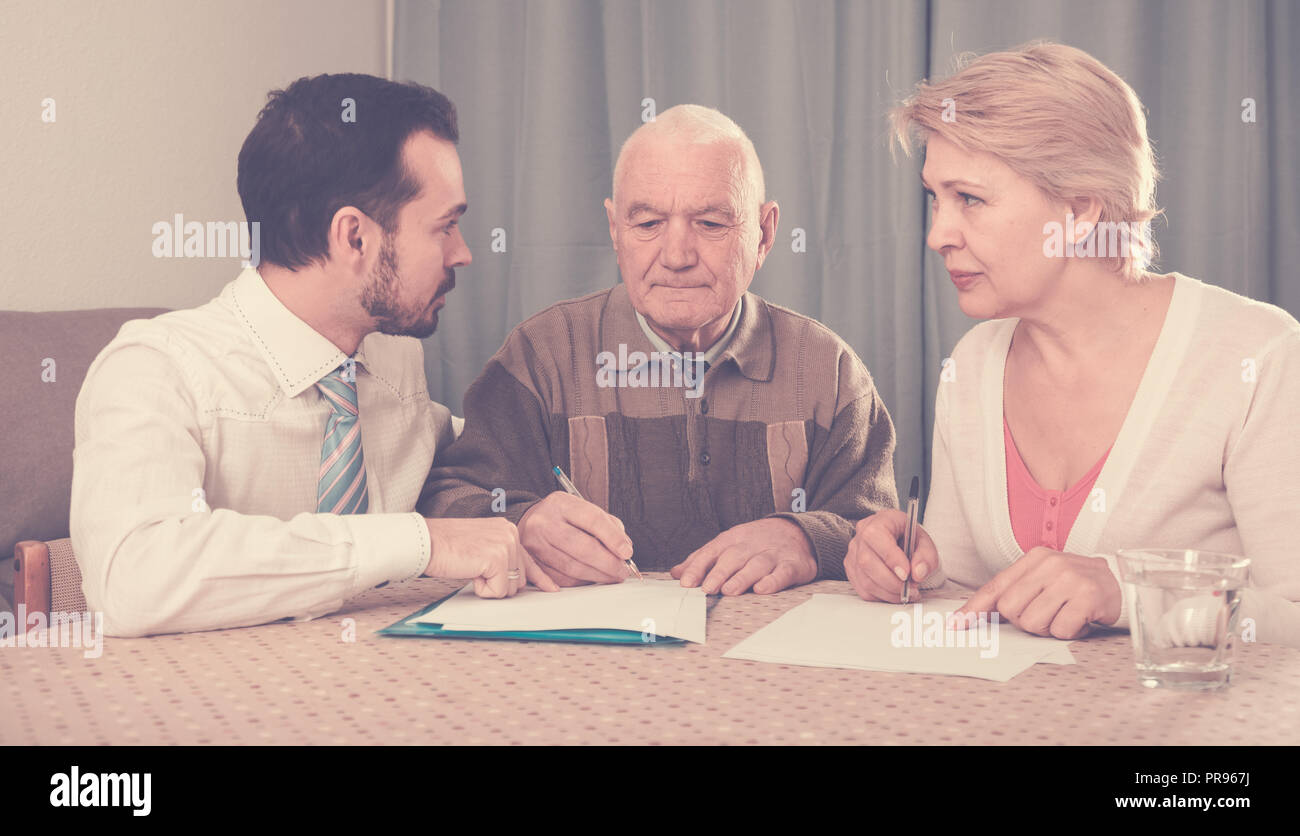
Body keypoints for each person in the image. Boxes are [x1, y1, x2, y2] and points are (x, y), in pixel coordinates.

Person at [846, 42, 1300, 646]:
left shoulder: (1259, 356)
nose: (937, 234)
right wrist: (909, 567)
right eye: (935, 198)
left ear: (1081, 211)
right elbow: (964, 594)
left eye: (970, 199)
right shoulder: (974, 363)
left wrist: (1128, 594)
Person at [71, 73, 554, 638]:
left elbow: (457, 455)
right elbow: (135, 581)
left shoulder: (393, 364)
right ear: (354, 238)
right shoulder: (155, 371)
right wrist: (420, 543)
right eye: (445, 227)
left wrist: (529, 513)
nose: (464, 253)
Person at [420, 105, 898, 596]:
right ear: (614, 228)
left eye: (711, 223)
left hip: (774, 666)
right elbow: (444, 501)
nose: (676, 257)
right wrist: (521, 521)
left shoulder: (829, 373)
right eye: (647, 223)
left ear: (765, 233)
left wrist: (807, 539)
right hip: (584, 665)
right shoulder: (540, 356)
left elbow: (885, 544)